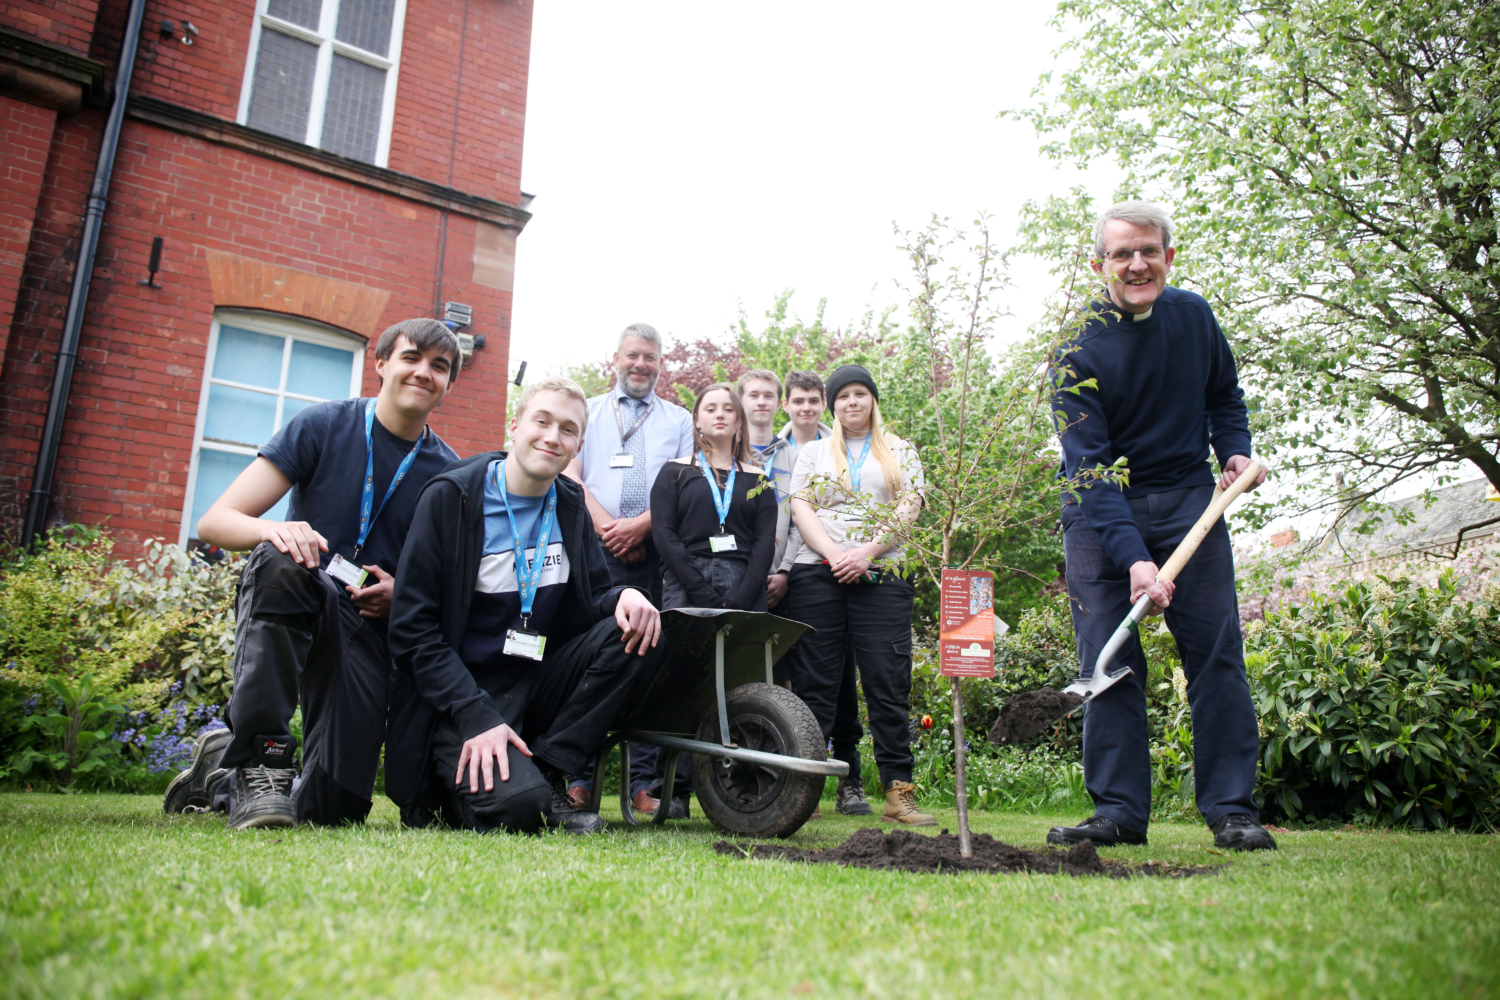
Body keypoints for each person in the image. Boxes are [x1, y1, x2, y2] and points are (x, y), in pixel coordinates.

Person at [163, 318, 462, 829]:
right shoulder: (324, 425)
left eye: (439, 366)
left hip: (366, 628)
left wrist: (403, 593)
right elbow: (215, 521)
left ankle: (217, 769)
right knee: (280, 559)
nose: (423, 373)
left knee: (332, 810)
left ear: (449, 384)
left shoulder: (449, 475)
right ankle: (260, 760)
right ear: (382, 364)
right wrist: (275, 530)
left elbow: (444, 588)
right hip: (300, 596)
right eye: (411, 357)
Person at [1047, 200, 1275, 852]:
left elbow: (1224, 397)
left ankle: (1231, 810)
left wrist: (1234, 450)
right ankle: (1119, 812)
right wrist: (1134, 559)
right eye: (1122, 254)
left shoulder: (1194, 317)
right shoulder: (1076, 347)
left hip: (1188, 504)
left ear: (1168, 257)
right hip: (1098, 515)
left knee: (1216, 655)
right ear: (1100, 264)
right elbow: (1089, 471)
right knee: (1109, 656)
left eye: (1149, 251)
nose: (1137, 264)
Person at [384, 377, 667, 835]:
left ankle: (549, 771)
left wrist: (627, 595)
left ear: (578, 446)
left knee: (639, 630)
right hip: (462, 698)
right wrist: (475, 715)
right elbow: (411, 630)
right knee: (520, 809)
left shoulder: (570, 504)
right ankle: (469, 785)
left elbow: (596, 600)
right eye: (542, 421)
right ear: (514, 427)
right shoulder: (452, 498)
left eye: (568, 429)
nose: (553, 437)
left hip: (534, 684)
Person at [786, 363, 933, 826]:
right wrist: (836, 555)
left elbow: (909, 507)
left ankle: (898, 794)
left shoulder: (901, 450)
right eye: (843, 395)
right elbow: (801, 508)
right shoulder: (812, 453)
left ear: (872, 399)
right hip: (818, 574)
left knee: (887, 682)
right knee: (815, 685)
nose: (852, 402)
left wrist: (867, 553)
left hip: (882, 574)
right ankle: (804, 793)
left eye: (860, 393)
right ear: (833, 405)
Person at [564, 323, 693, 817]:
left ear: (661, 364)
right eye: (633, 355)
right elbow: (570, 473)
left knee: (647, 658)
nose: (641, 365)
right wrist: (605, 527)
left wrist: (639, 527)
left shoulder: (679, 420)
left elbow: (683, 485)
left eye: (650, 357)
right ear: (615, 358)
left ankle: (643, 783)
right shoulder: (588, 410)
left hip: (652, 557)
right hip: (593, 552)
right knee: (589, 658)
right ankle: (577, 777)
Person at [653, 382, 777, 612]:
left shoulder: (759, 479)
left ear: (739, 421)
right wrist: (699, 591)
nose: (720, 414)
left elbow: (765, 543)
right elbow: (664, 535)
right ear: (697, 421)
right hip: (685, 582)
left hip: (745, 583)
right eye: (710, 409)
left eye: (728, 409)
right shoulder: (673, 472)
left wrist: (742, 597)